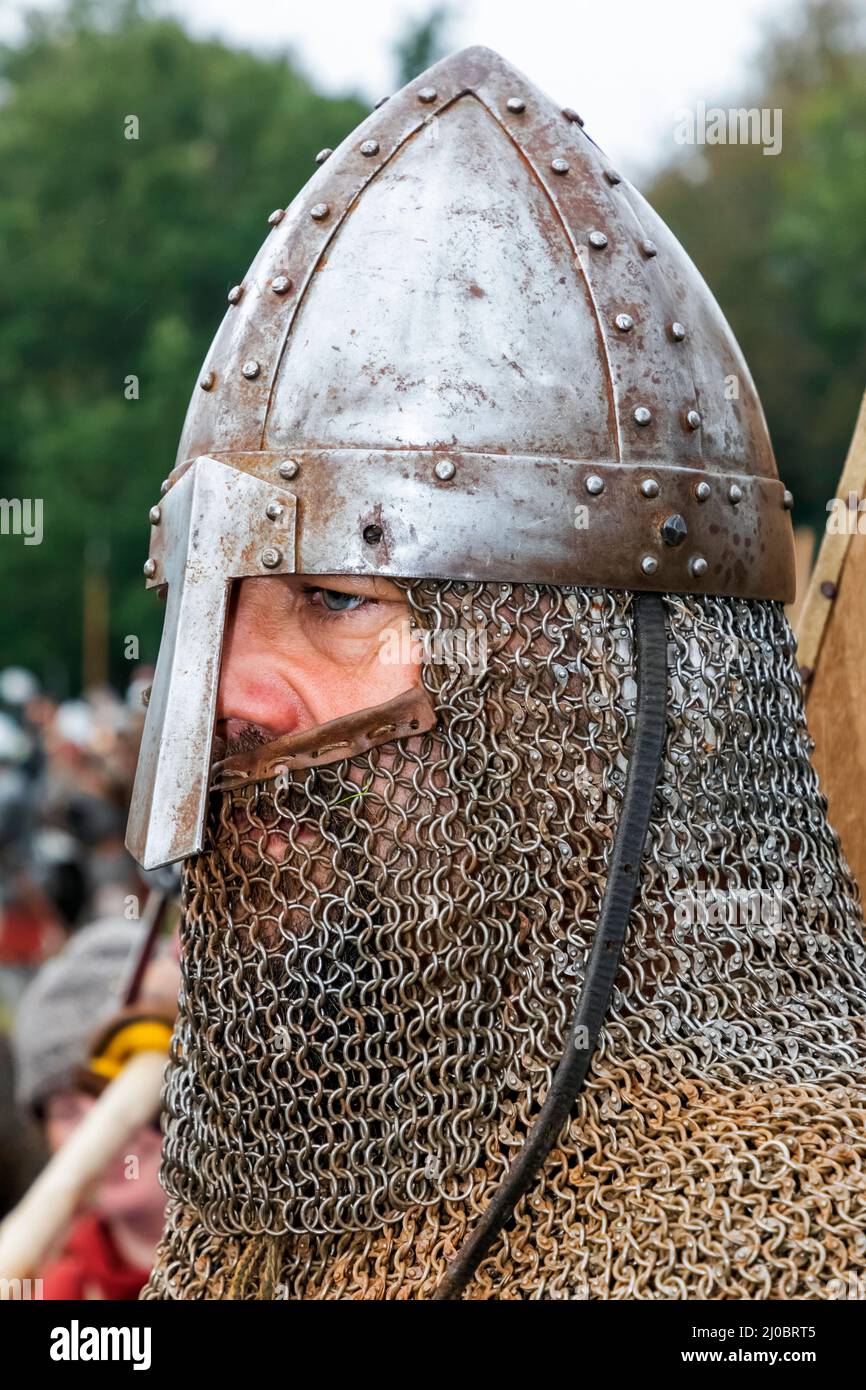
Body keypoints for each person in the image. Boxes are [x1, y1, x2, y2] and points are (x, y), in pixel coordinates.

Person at [127, 47, 866, 1300]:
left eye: (335, 599)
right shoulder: (256, 1205)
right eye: (209, 607)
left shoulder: (806, 1246)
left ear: (585, 704)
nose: (222, 698)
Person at [12, 920, 166, 1299]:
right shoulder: (47, 1291)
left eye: (113, 1094)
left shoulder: (301, 1267)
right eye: (66, 1112)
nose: (97, 1131)